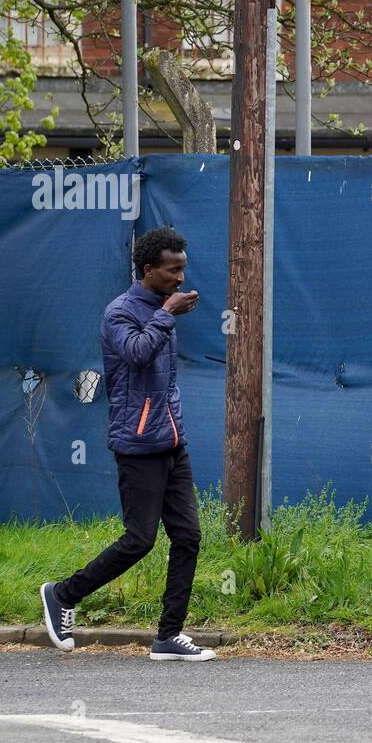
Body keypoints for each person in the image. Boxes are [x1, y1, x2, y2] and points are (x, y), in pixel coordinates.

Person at [41, 226, 214, 661]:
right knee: (140, 540)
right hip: (138, 445)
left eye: (182, 270)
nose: (179, 278)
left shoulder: (160, 310)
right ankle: (62, 594)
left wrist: (166, 313)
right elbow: (136, 353)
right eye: (172, 271)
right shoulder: (119, 312)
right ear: (148, 269)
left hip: (172, 441)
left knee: (188, 536)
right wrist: (166, 314)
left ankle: (168, 637)